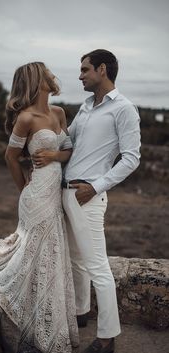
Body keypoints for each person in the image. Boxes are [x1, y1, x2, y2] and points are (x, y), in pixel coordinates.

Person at [0, 62, 79, 353]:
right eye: (48, 73)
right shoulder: (26, 118)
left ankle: (50, 320)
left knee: (50, 254)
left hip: (56, 191)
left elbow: (68, 151)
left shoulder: (59, 112)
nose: (54, 76)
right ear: (38, 81)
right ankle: (34, 322)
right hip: (37, 194)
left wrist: (53, 154)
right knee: (38, 252)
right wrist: (24, 185)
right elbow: (10, 157)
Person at [33, 49, 141, 353]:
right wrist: (42, 123)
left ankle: (107, 337)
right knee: (76, 261)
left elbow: (131, 159)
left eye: (84, 70)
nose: (79, 76)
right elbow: (71, 144)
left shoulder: (123, 108)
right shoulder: (86, 107)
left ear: (102, 70)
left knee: (97, 267)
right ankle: (80, 312)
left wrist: (96, 187)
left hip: (88, 196)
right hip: (65, 191)